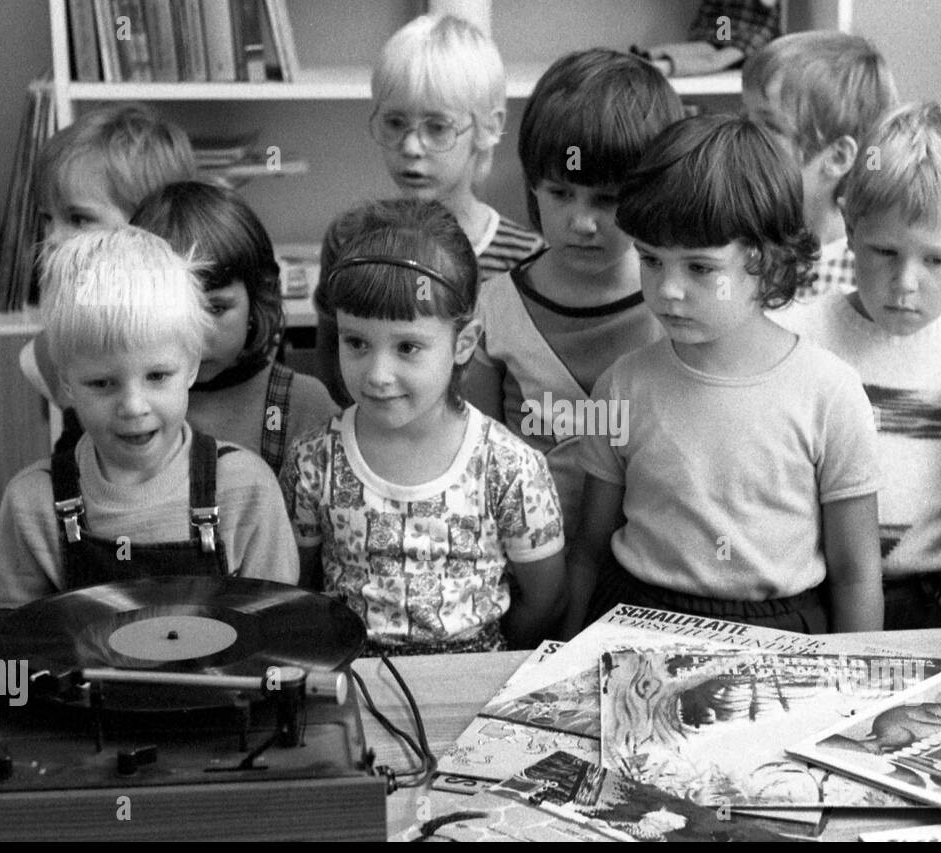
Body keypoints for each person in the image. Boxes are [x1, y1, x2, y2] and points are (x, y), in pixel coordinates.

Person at [564, 114, 883, 636]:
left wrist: (860, 690)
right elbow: (588, 553)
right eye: (651, 260)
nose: (668, 290)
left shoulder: (830, 392)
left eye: (700, 268)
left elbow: (855, 577)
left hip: (782, 632)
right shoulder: (622, 385)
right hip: (633, 625)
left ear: (767, 261)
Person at [280, 199, 565, 654]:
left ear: (463, 343)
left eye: (408, 347)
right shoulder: (313, 461)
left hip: (472, 693)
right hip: (353, 688)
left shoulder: (510, 467)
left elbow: (545, 600)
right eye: (356, 342)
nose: (377, 374)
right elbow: (301, 586)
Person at [772, 101, 941, 629]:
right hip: (818, 593)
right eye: (884, 252)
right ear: (850, 231)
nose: (905, 283)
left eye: (936, 260)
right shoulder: (792, 335)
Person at [0, 227, 299, 603]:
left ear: (191, 367)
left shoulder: (247, 491)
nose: (134, 406)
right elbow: (16, 648)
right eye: (102, 383)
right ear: (66, 382)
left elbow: (278, 639)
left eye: (156, 376)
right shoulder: (31, 504)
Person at [462, 49, 685, 530]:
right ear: (532, 185)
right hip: (530, 568)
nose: (582, 222)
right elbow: (475, 463)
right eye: (560, 193)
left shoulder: (678, 309)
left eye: (607, 200)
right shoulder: (494, 309)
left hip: (648, 569)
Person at [314, 14, 543, 406]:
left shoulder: (526, 255)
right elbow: (333, 373)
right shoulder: (349, 238)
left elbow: (527, 393)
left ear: (488, 127)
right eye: (395, 122)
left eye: (437, 127)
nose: (412, 146)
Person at [130, 181, 337, 473]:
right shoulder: (126, 404)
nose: (197, 335)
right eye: (174, 309)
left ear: (256, 302)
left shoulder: (299, 405)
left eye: (216, 308)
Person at [20, 102, 197, 410]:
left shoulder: (198, 338)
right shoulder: (47, 354)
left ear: (149, 221)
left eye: (78, 219)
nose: (52, 239)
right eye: (48, 218)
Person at [741, 30, 898, 301]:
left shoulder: (865, 272)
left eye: (769, 125)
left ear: (837, 158)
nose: (743, 136)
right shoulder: (742, 239)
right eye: (745, 118)